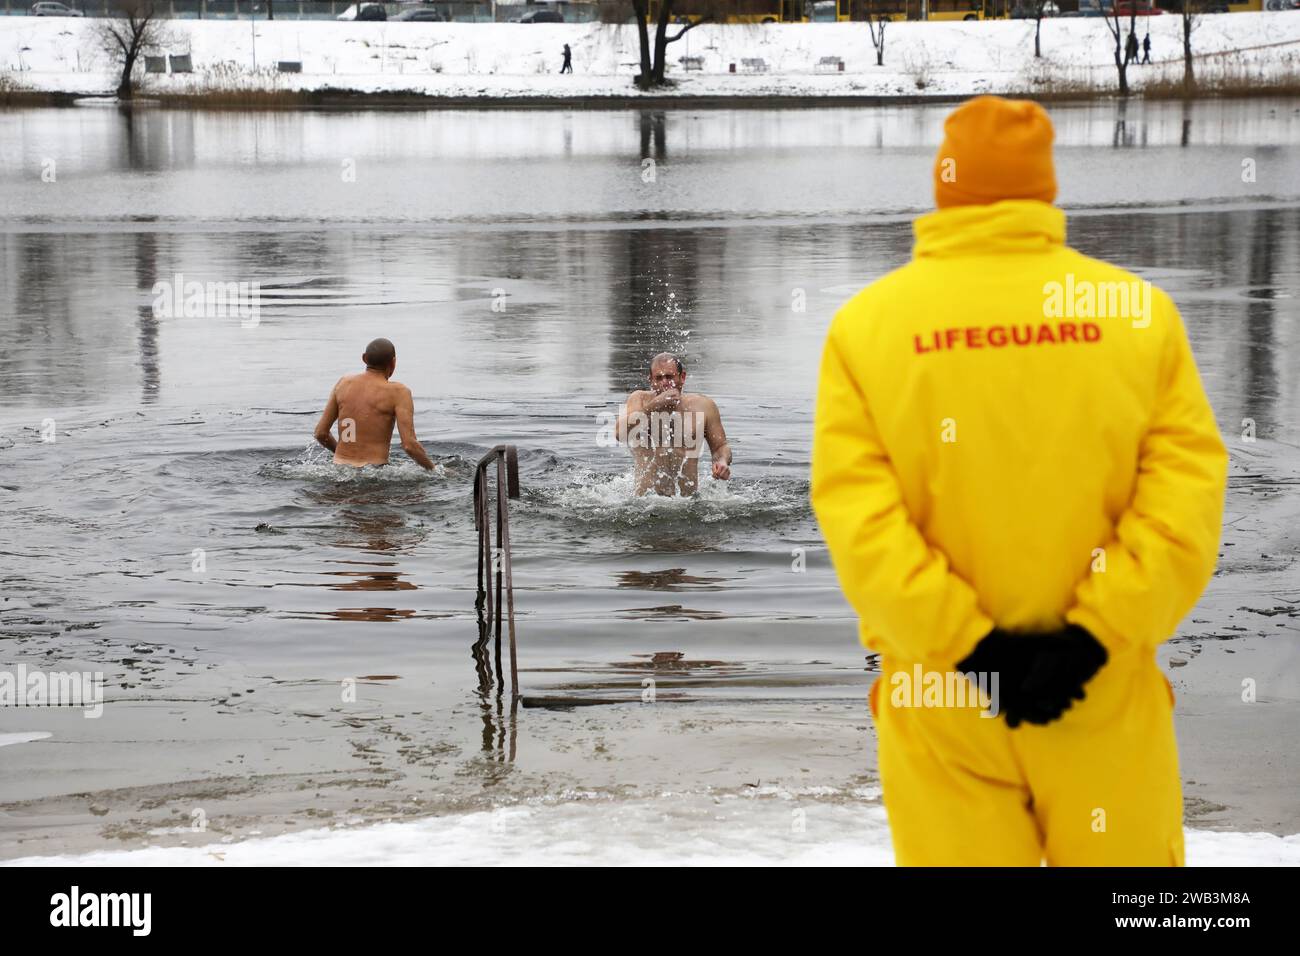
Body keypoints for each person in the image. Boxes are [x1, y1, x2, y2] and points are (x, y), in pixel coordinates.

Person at [811, 96, 1227, 866]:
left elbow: (860, 520)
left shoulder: (868, 328)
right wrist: (1095, 636)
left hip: (945, 697)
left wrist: (973, 651)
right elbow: (1185, 501)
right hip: (1097, 694)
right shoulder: (1137, 315)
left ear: (944, 188)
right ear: (1045, 188)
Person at [616, 353, 731, 497]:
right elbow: (619, 434)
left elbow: (721, 446)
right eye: (658, 378)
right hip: (646, 502)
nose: (664, 383)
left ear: (682, 377)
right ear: (651, 380)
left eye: (669, 377)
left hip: (687, 502)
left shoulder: (703, 405)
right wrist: (653, 406)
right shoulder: (639, 400)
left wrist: (722, 461)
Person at [313, 337, 434, 471]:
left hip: (339, 468)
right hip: (375, 471)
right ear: (393, 362)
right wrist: (434, 470)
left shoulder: (343, 383)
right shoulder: (399, 392)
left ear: (364, 358)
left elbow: (320, 433)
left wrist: (342, 454)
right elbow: (409, 445)